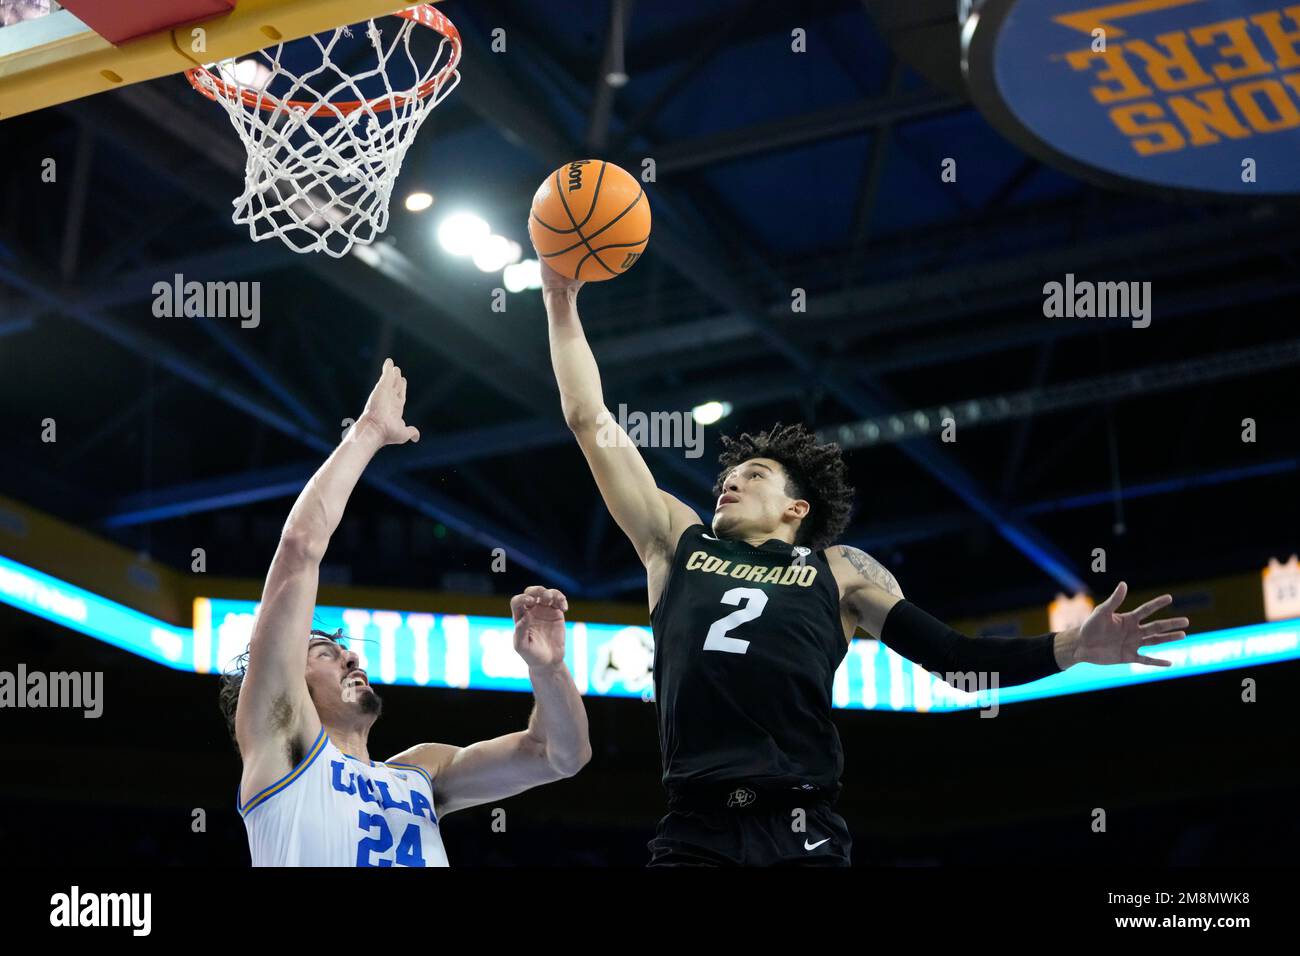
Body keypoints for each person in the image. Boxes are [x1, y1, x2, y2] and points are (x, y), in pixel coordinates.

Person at [540, 265, 1189, 867]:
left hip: (802, 828)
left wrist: (1074, 646)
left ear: (796, 507)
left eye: (752, 475)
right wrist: (559, 298)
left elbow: (955, 662)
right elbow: (587, 418)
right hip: (696, 828)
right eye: (725, 479)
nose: (727, 485)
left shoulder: (843, 570)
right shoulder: (676, 542)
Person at [219, 358, 591, 866]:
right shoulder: (281, 740)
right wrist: (368, 432)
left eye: (344, 650)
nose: (352, 658)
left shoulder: (422, 772)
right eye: (326, 652)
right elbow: (300, 547)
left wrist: (548, 670)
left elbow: (561, 756)